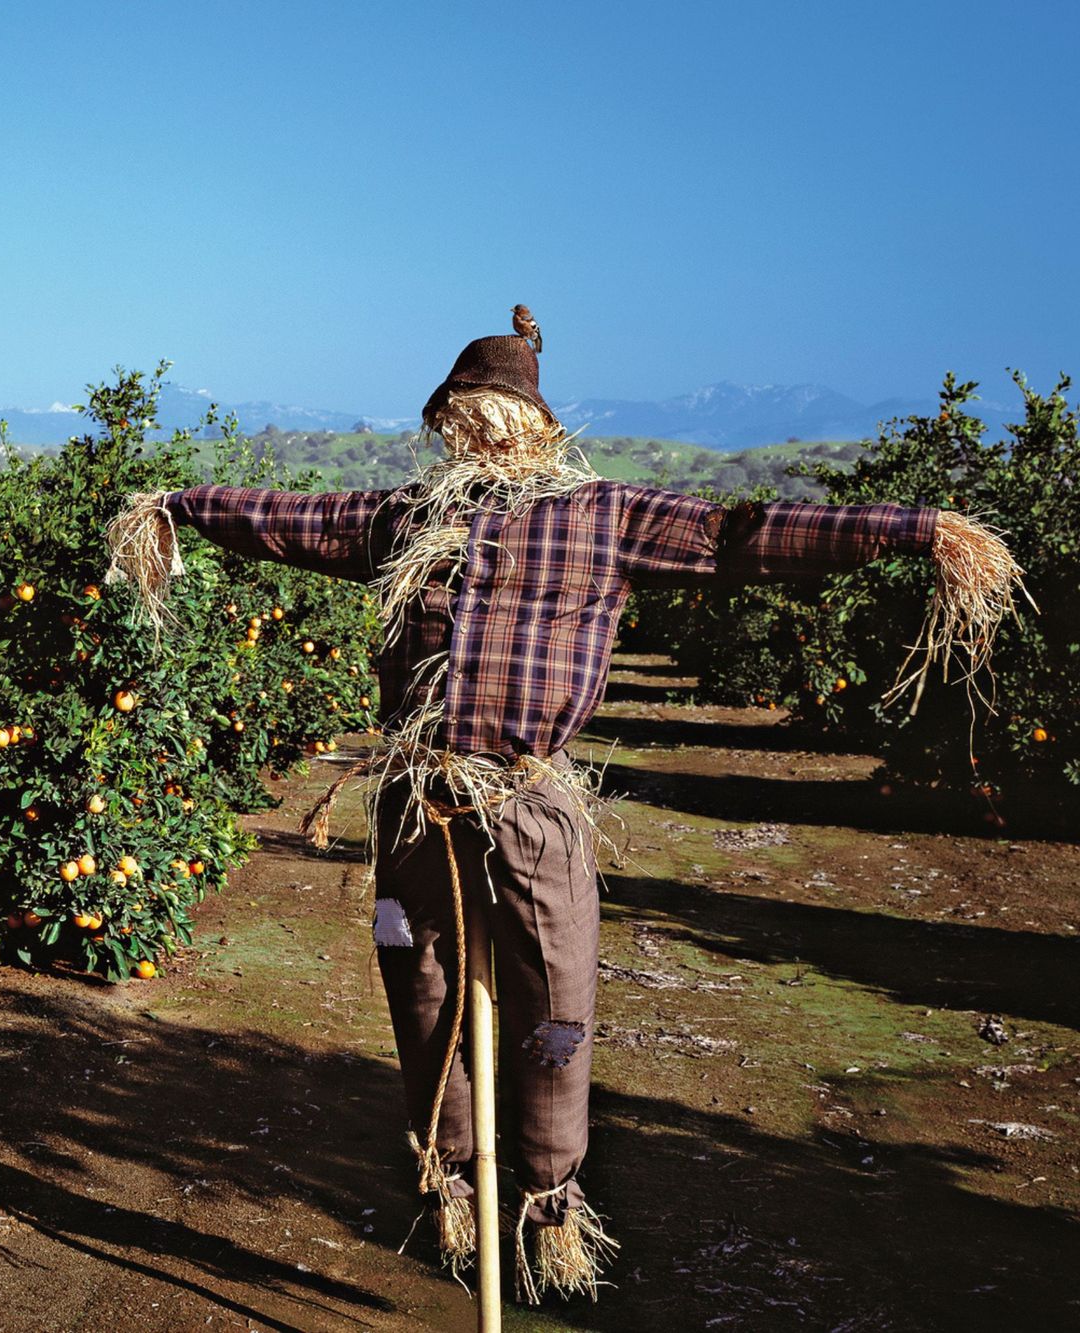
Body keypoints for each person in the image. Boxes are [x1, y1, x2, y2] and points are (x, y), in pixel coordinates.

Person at [105, 311, 1022, 1303]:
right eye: (464, 419)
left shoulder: (605, 516)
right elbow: (287, 517)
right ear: (446, 427)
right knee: (421, 989)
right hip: (417, 805)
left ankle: (547, 1196)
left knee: (555, 999)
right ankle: (453, 1178)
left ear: (539, 427)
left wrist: (915, 531)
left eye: (495, 417)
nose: (480, 435)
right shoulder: (404, 519)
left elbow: (741, 537)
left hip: (528, 802)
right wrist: (177, 507)